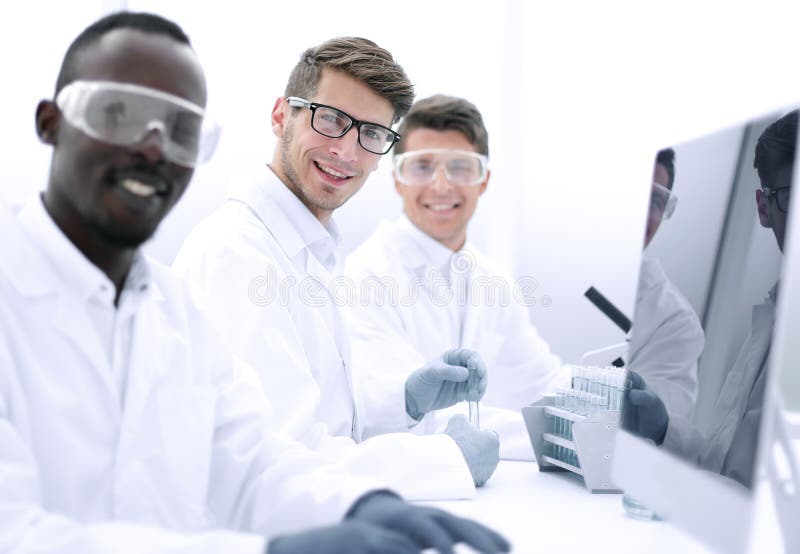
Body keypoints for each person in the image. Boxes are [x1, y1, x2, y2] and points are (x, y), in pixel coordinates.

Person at [0, 12, 511, 554]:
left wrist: (361, 498)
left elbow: (252, 460)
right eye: (119, 114)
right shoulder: (234, 256)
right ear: (51, 122)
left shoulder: (170, 309)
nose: (152, 149)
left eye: (180, 130)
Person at [172, 39, 499, 495]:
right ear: (281, 115)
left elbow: (319, 415)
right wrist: (446, 460)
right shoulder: (239, 254)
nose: (348, 151)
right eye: (330, 120)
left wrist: (403, 400)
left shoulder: (305, 248)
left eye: (371, 134)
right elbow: (280, 458)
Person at [344, 95, 564, 459]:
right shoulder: (364, 278)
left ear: (484, 180)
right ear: (397, 178)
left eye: (461, 167)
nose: (442, 186)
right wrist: (556, 433)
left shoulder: (493, 281)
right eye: (422, 167)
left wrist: (608, 400)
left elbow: (538, 382)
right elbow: (408, 415)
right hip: (413, 487)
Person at [624, 110, 796, 489]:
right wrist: (663, 430)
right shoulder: (774, 317)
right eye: (793, 196)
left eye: (655, 199)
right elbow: (724, 468)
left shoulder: (675, 322)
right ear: (764, 208)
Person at [626, 148, 705, 420]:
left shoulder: (674, 322)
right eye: (633, 191)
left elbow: (640, 429)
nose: (642, 212)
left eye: (656, 201)